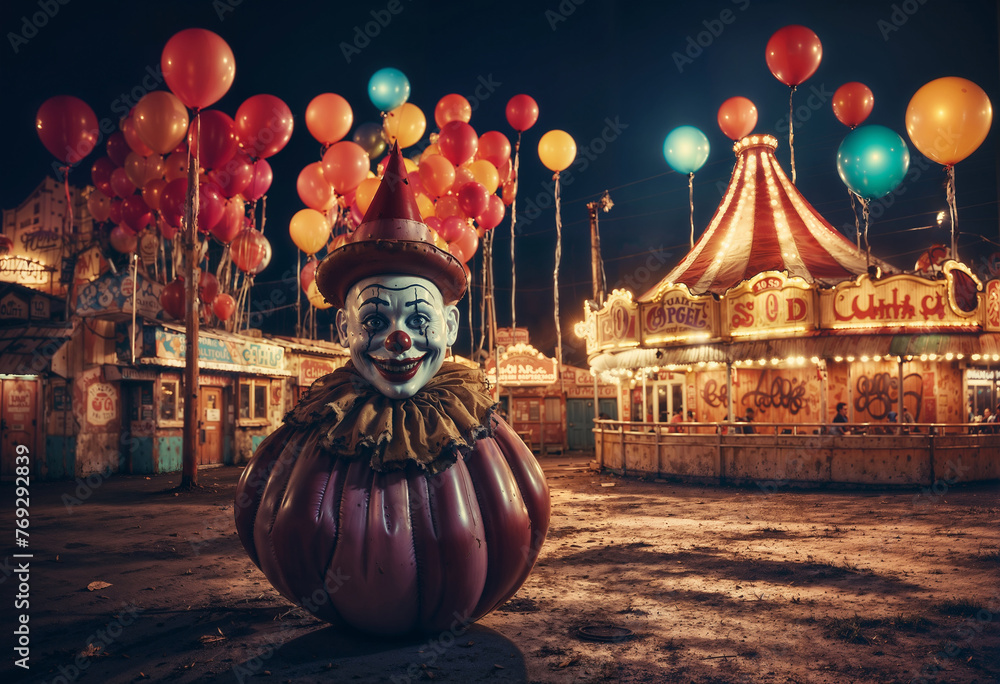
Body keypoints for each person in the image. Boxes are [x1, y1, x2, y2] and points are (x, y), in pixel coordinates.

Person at [233, 145, 549, 636]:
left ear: (450, 325)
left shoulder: (467, 419)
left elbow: (522, 508)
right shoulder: (326, 422)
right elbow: (271, 515)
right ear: (343, 329)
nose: (399, 339)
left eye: (419, 319)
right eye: (375, 320)